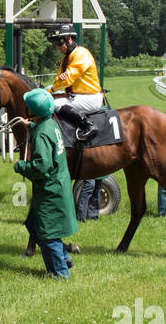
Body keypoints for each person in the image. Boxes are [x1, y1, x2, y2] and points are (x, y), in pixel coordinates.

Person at [15, 88, 78, 279]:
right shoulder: (50, 124)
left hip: (50, 190)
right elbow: (44, 134)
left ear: (33, 111)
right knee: (34, 224)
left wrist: (21, 166)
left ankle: (60, 274)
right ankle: (65, 258)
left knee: (47, 234)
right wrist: (30, 126)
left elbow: (42, 166)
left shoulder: (42, 133)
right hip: (58, 185)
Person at [47, 23, 104, 141]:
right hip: (78, 96)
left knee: (54, 104)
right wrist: (55, 85)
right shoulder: (66, 58)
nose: (57, 47)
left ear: (70, 39)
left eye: (60, 42)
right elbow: (58, 79)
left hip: (90, 98)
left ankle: (88, 125)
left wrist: (50, 90)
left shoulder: (81, 54)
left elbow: (66, 80)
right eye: (56, 44)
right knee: (52, 98)